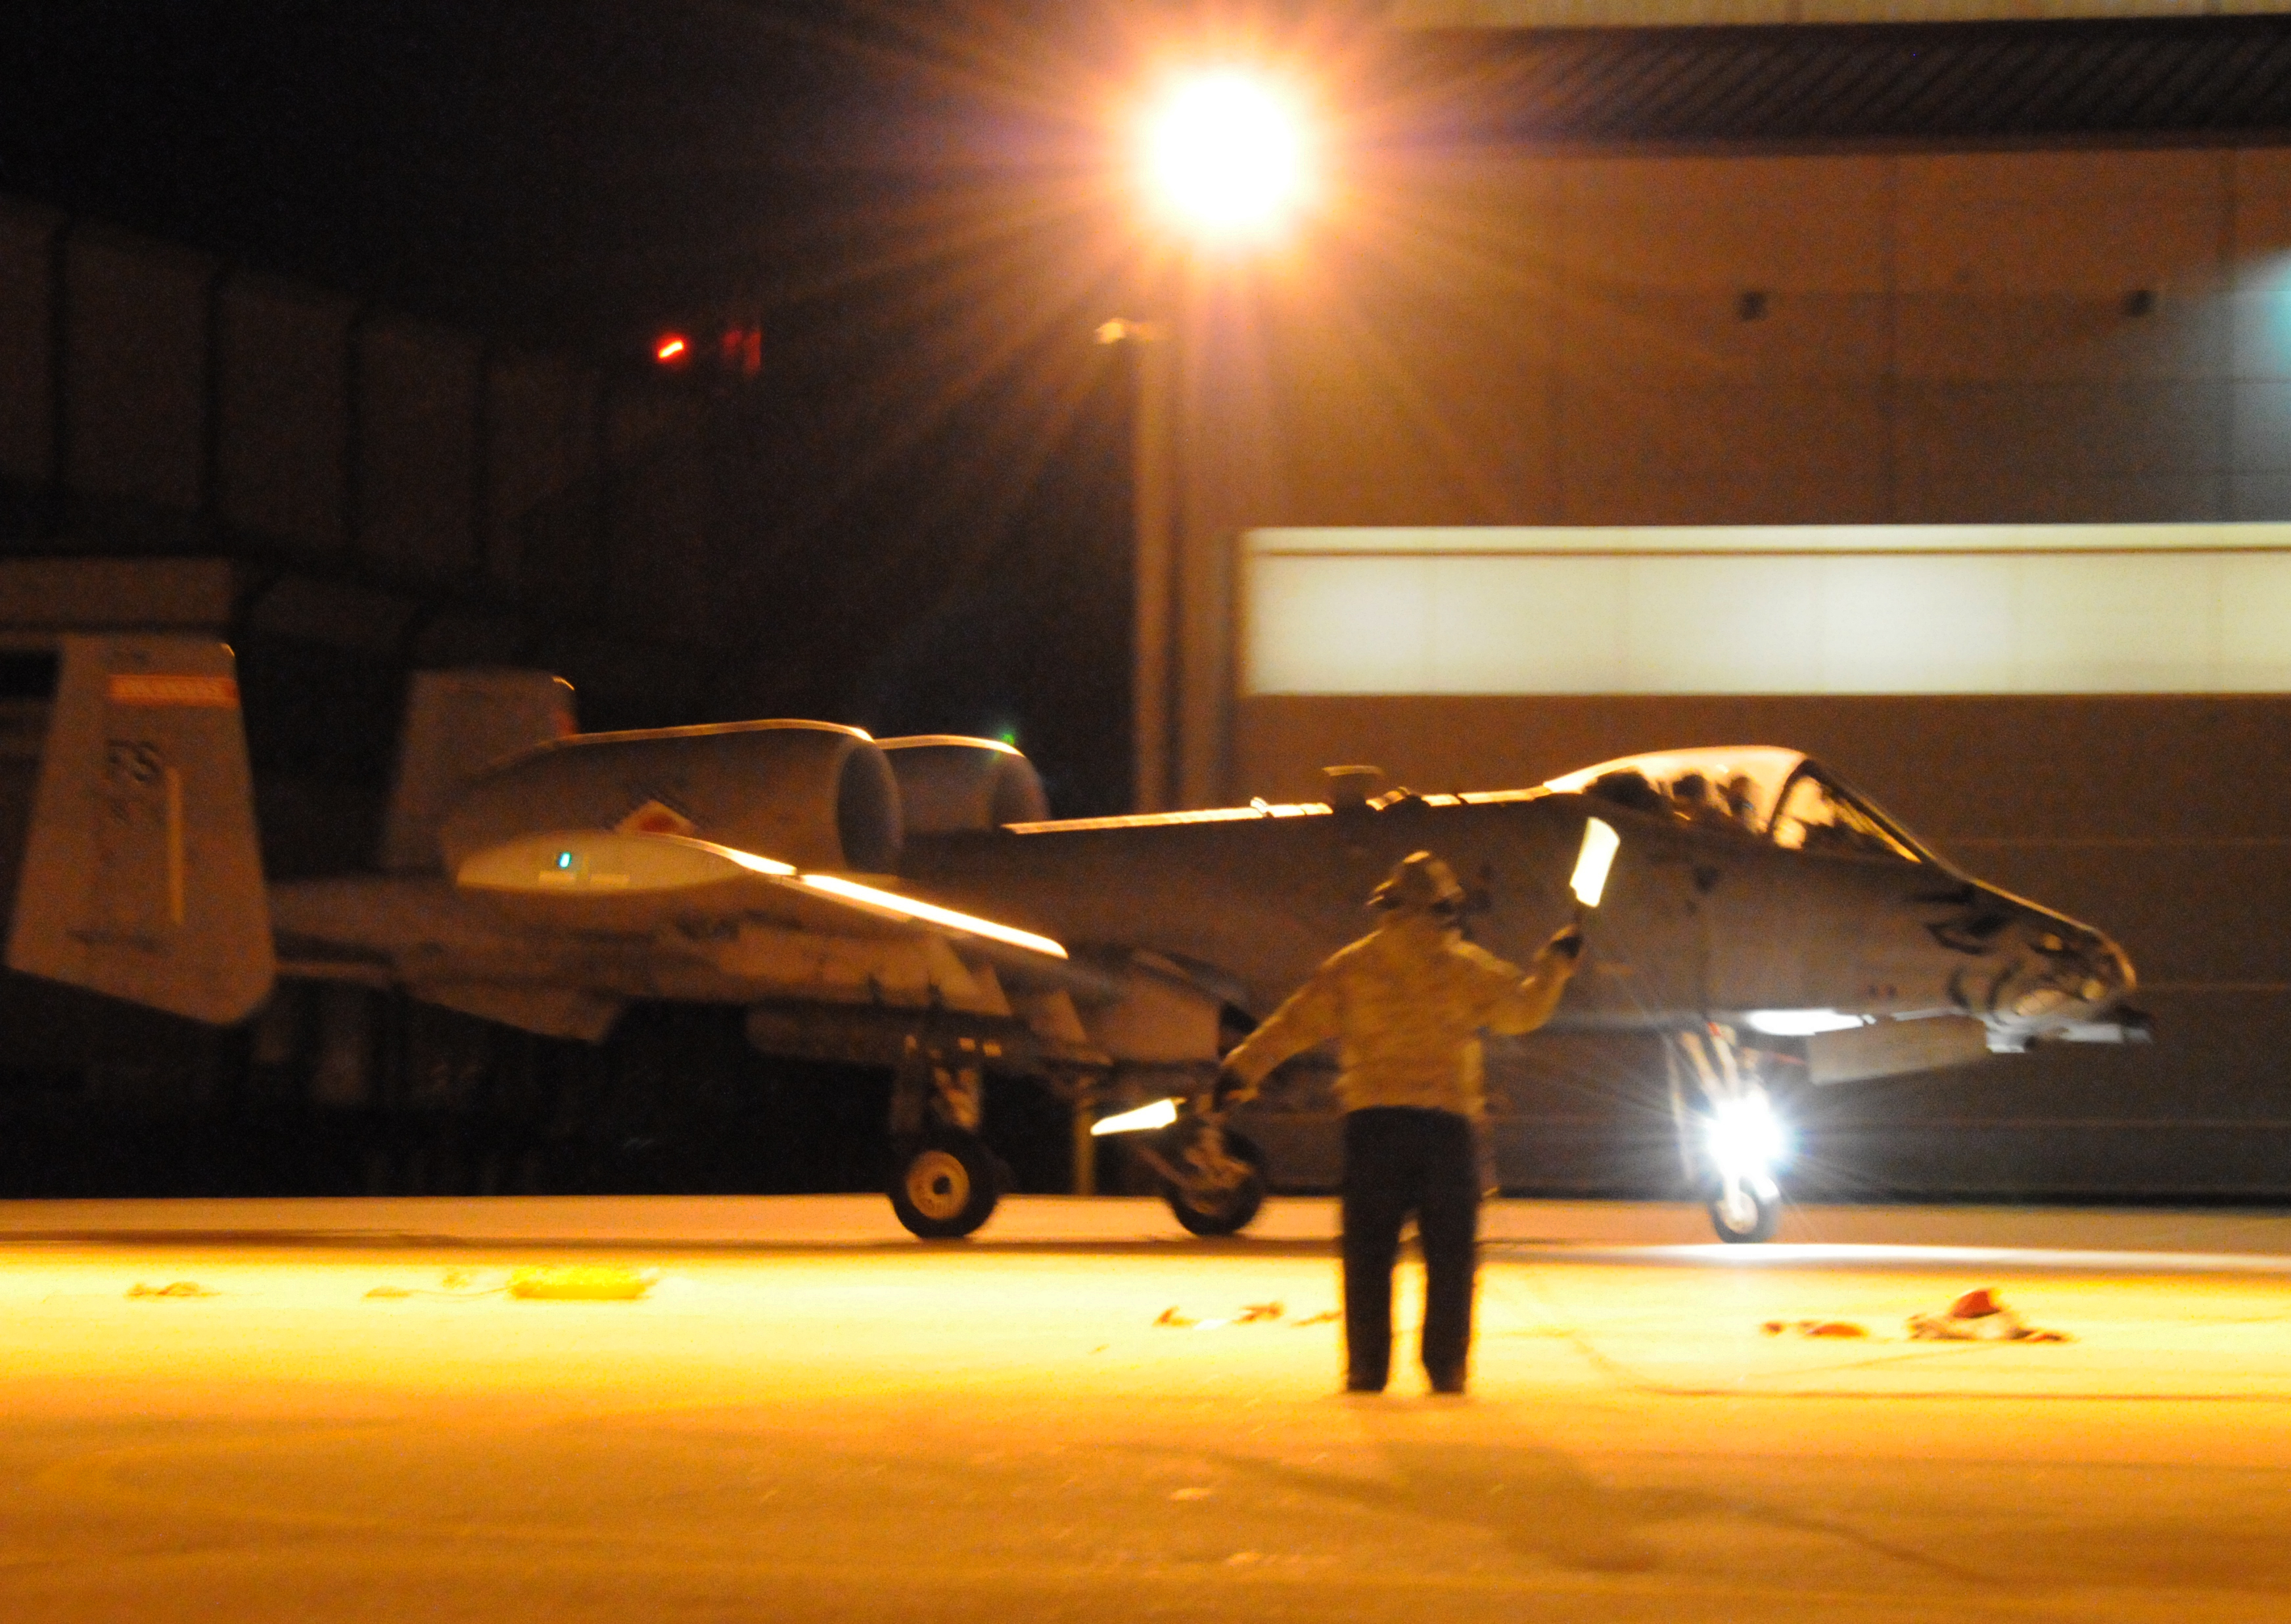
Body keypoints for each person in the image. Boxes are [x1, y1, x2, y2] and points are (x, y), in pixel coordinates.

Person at [1213, 850, 1583, 1395]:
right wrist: (1555, 963)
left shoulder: (1352, 966)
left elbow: (1292, 1024)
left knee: (1368, 1257)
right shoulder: (1467, 967)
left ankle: (1367, 1368)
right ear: (1446, 907)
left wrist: (1240, 1066)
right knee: (1451, 1258)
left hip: (1374, 1128)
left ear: (1386, 902)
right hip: (1446, 1130)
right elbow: (1523, 1012)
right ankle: (1445, 1368)